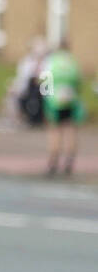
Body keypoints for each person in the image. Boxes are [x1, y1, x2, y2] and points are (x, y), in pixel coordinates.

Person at [42, 39, 84, 175]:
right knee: (71, 130)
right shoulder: (73, 62)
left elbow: (44, 81)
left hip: (54, 101)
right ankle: (69, 162)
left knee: (55, 131)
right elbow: (79, 82)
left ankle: (53, 162)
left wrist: (45, 99)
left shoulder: (51, 61)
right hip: (71, 100)